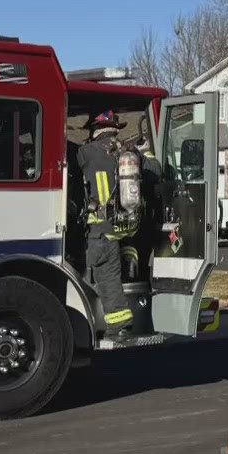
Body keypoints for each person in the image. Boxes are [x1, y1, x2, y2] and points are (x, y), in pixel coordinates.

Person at [76, 111, 139, 335]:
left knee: (103, 276)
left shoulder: (86, 152)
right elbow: (154, 170)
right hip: (124, 226)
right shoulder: (127, 153)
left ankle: (118, 323)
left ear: (95, 130)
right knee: (111, 272)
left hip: (98, 231)